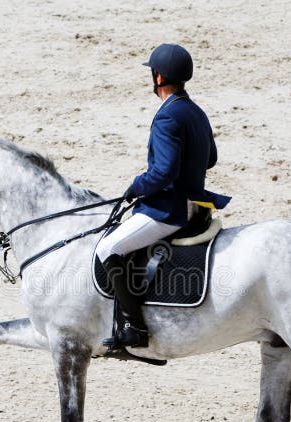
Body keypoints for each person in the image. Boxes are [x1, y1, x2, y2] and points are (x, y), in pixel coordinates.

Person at [97, 43, 230, 351]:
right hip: (198, 205)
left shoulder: (167, 116)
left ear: (159, 78)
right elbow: (210, 158)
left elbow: (163, 172)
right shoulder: (195, 111)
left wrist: (137, 185)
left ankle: (133, 326)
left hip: (169, 210)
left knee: (109, 247)